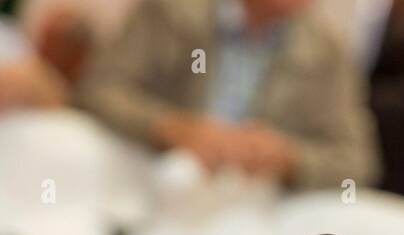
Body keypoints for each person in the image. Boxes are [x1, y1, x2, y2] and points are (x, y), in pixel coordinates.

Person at [73, 0, 379, 189]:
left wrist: (287, 157)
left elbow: (358, 162)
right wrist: (170, 127)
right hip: (140, 194)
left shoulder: (327, 54)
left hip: (244, 228)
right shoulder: (169, 11)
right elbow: (98, 88)